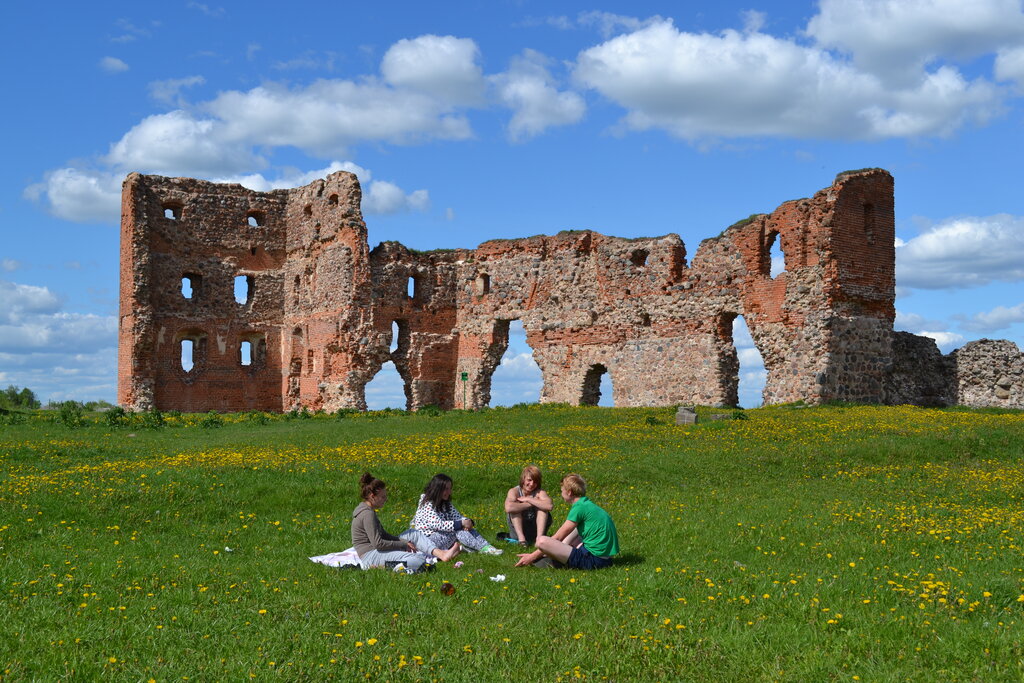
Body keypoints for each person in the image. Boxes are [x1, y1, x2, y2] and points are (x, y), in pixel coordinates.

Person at [351, 472, 459, 571]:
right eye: (383, 497)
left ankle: (441, 554)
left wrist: (404, 542)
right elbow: (378, 543)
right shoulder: (367, 514)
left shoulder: (369, 511)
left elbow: (384, 535)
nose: (386, 499)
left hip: (375, 551)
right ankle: (380, 566)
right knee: (418, 560)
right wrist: (402, 545)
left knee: (413, 534)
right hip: (370, 555)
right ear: (372, 496)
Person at [514, 473, 619, 570]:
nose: (561, 493)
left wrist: (531, 557)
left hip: (594, 561)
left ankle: (551, 558)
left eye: (562, 490)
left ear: (569, 492)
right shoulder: (587, 504)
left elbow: (557, 537)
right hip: (605, 559)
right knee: (575, 529)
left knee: (542, 541)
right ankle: (551, 556)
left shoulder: (579, 508)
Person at [412, 473, 504, 555]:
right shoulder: (427, 503)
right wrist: (461, 523)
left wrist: (468, 522)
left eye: (450, 488)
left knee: (461, 526)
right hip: (426, 542)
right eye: (446, 489)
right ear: (437, 489)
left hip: (439, 537)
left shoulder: (445, 503)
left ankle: (486, 547)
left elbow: (458, 517)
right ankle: (483, 548)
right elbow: (437, 524)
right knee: (456, 529)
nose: (449, 492)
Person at [500, 465, 553, 547]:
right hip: (517, 532)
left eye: (535, 482)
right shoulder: (514, 491)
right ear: (523, 479)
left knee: (543, 509)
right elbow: (508, 508)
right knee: (515, 509)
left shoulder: (540, 492)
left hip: (535, 529)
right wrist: (530, 504)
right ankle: (522, 540)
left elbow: (549, 506)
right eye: (529, 480)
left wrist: (529, 499)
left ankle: (539, 539)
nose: (531, 484)